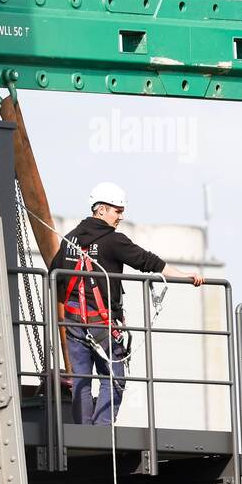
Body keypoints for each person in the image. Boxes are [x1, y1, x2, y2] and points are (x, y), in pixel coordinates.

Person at [49, 182, 205, 425]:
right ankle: (101, 433)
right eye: (116, 210)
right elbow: (149, 262)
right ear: (100, 210)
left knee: (80, 377)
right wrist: (183, 276)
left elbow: (54, 275)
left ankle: (83, 432)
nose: (120, 216)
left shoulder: (69, 240)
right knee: (113, 379)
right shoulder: (113, 241)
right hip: (101, 323)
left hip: (72, 321)